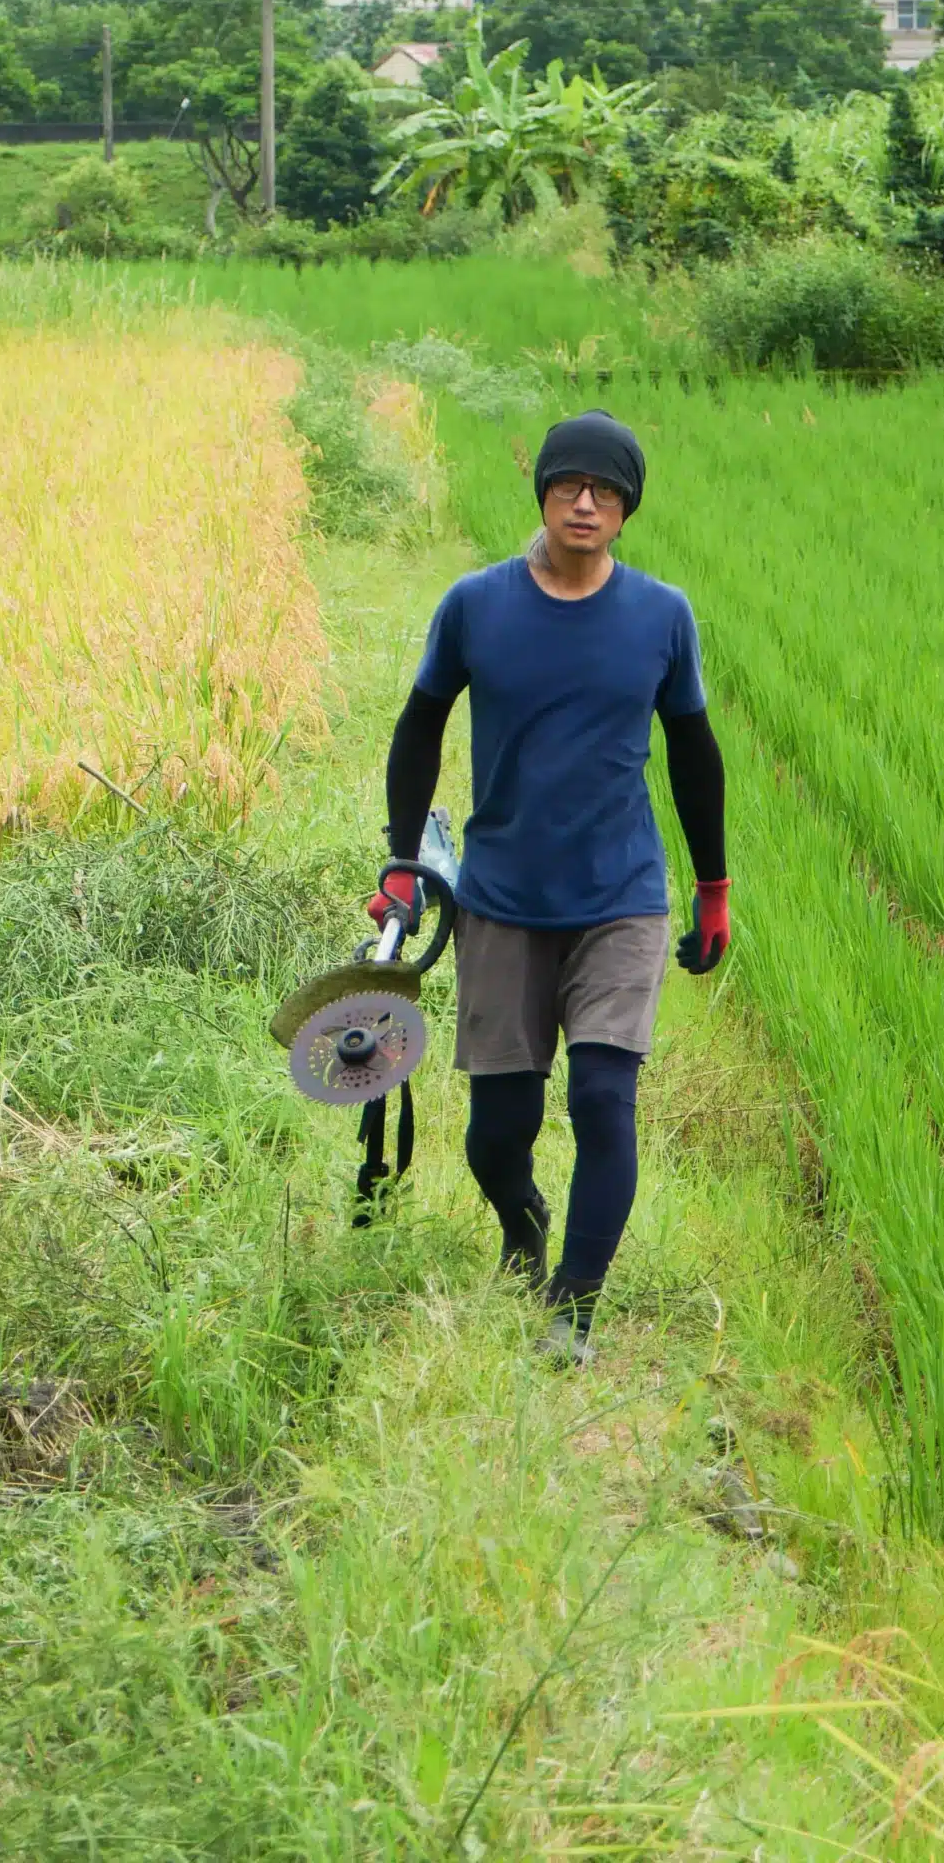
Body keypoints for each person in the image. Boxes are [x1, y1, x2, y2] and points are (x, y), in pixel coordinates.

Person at [374, 411, 730, 1366]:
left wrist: (713, 887)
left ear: (626, 510)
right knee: (497, 1135)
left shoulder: (661, 616)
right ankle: (522, 1222)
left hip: (621, 898)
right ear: (543, 493)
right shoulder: (476, 605)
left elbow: (695, 755)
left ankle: (574, 1308)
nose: (585, 503)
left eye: (606, 491)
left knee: (605, 1098)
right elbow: (419, 728)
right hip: (502, 897)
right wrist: (402, 862)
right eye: (569, 485)